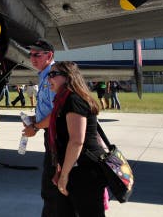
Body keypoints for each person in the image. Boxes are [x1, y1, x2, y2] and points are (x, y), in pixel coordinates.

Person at [47, 62, 108, 216]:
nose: (49, 79)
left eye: (53, 74)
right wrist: (61, 171)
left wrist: (64, 176)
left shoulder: (73, 100)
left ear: (68, 77)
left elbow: (76, 141)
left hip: (85, 172)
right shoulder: (63, 100)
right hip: (75, 169)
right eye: (48, 74)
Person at [21, 39, 58, 217]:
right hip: (51, 135)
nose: (32, 58)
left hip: (57, 136)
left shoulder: (53, 76)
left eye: (37, 55)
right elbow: (50, 109)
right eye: (31, 55)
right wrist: (35, 118)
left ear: (49, 55)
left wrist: (35, 127)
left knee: (51, 188)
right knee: (51, 187)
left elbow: (57, 113)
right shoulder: (45, 75)